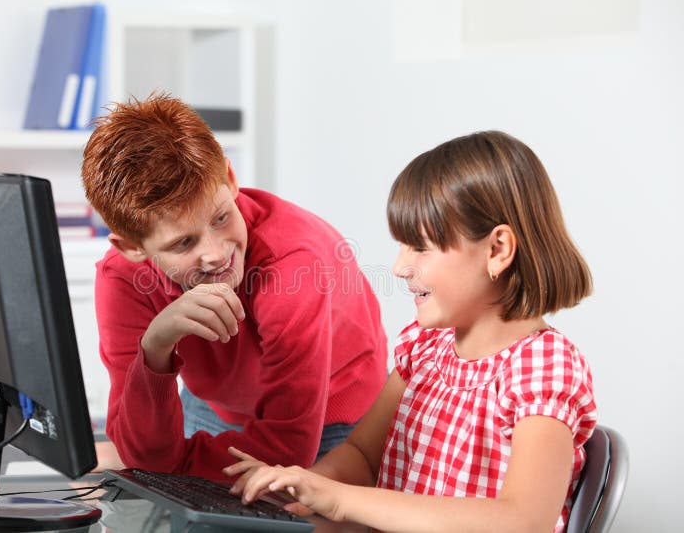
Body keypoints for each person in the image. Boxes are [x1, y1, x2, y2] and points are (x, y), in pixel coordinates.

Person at [225, 131, 597, 532]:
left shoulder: (544, 369)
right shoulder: (423, 350)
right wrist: (298, 489)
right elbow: (363, 459)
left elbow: (522, 521)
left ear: (497, 250)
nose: (400, 267)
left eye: (419, 247)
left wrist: (340, 501)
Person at [80, 93, 388, 482]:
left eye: (222, 217)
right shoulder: (122, 277)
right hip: (218, 402)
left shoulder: (294, 266)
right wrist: (155, 346)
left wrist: (173, 465)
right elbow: (142, 452)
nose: (215, 254)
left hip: (329, 415)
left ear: (230, 178)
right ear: (132, 248)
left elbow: (286, 447)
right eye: (183, 243)